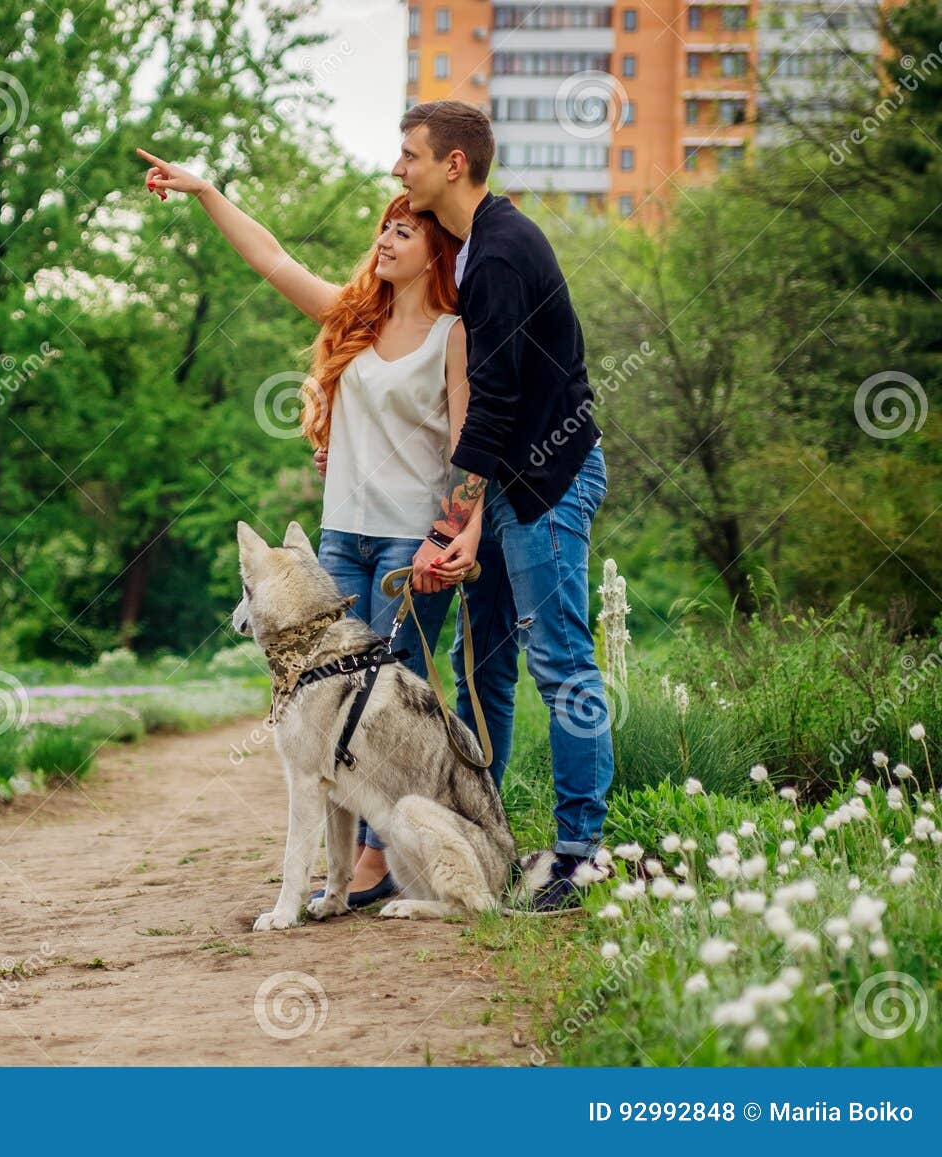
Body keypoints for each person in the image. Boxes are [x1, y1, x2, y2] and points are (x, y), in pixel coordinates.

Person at [136, 145, 492, 907]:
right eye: (384, 230)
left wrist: (456, 531)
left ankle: (383, 859)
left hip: (409, 542)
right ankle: (339, 875)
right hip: (340, 539)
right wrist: (204, 191)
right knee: (321, 696)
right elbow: (269, 256)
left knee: (385, 704)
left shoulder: (452, 334)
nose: (387, 239)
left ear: (436, 250)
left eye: (405, 229)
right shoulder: (350, 319)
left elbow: (469, 446)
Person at [390, 100, 614, 912]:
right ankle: (491, 840)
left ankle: (580, 857)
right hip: (510, 491)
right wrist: (465, 519)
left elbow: (495, 402)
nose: (399, 169)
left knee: (560, 662)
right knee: (482, 664)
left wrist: (451, 523)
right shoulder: (483, 245)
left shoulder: (502, 254)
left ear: (454, 163)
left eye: (409, 155)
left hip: (547, 490)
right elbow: (492, 411)